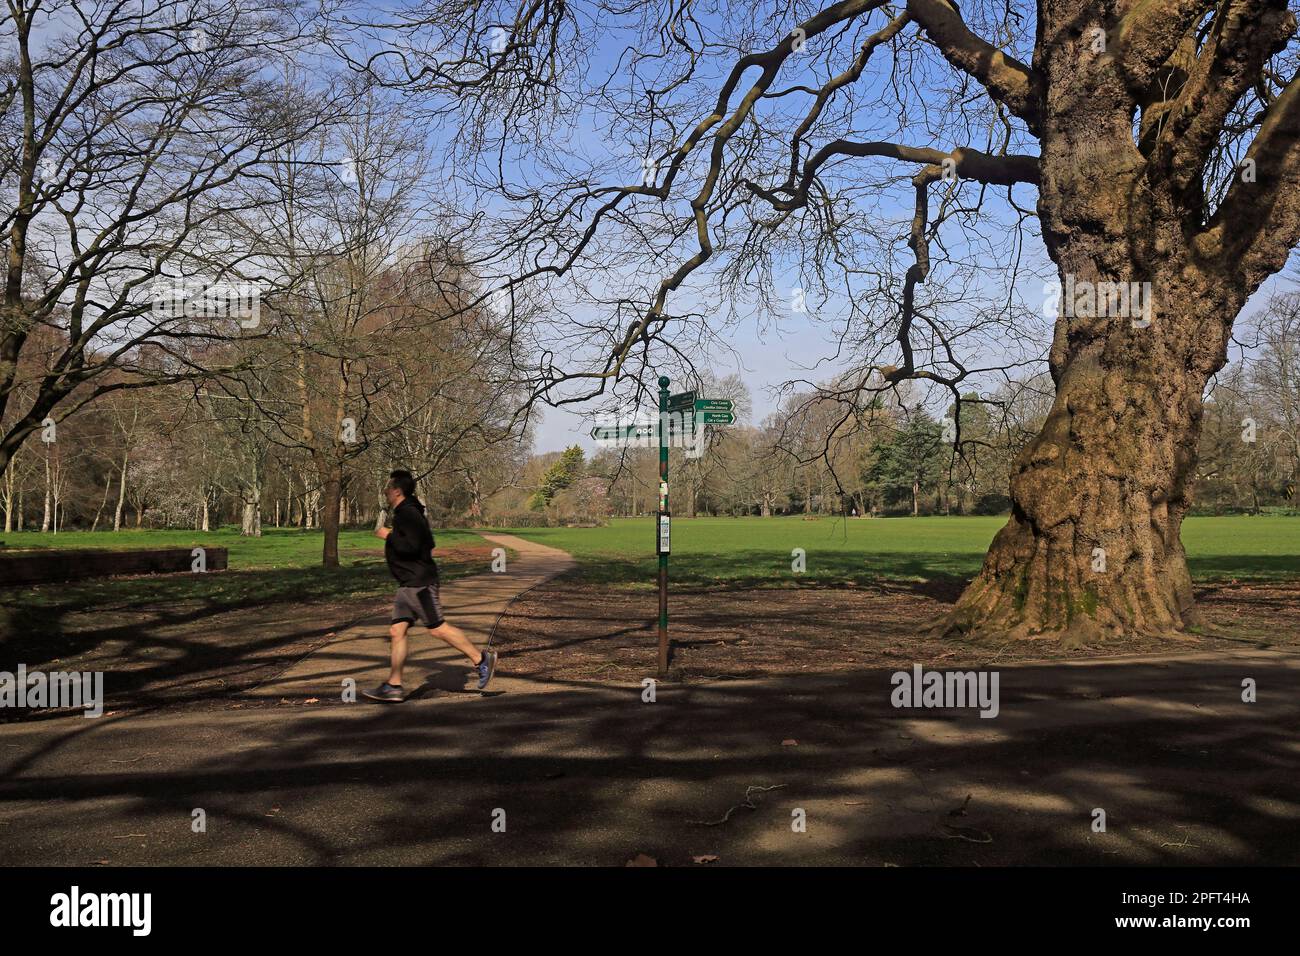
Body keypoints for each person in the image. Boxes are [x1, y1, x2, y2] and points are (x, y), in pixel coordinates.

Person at [364, 469, 496, 702]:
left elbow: (413, 546)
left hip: (420, 584)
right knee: (397, 630)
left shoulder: (408, 514)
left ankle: (481, 659)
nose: (385, 491)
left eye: (388, 488)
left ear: (396, 491)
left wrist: (388, 535)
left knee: (437, 628)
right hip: (408, 585)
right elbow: (429, 541)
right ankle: (394, 685)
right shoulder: (407, 512)